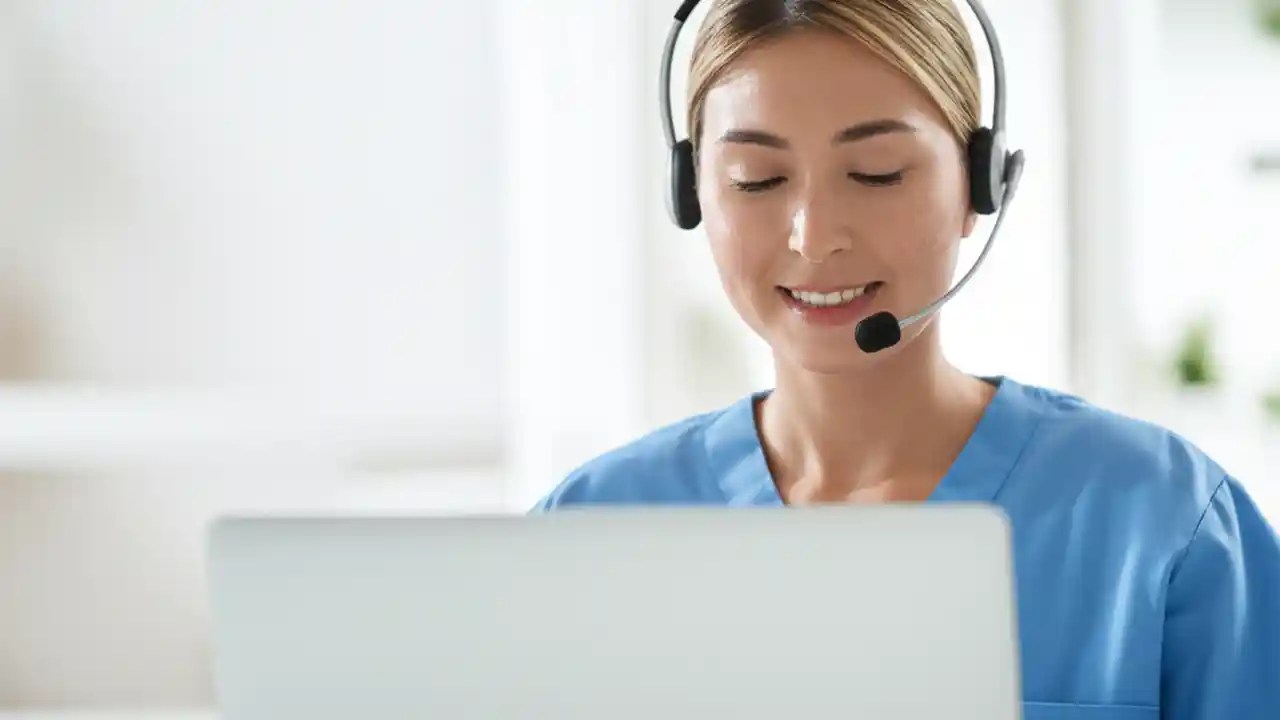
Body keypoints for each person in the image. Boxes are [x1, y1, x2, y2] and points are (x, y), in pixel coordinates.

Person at [534, 0, 1280, 716]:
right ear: (692, 195)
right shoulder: (585, 533)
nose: (813, 236)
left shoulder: (1165, 524)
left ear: (980, 185)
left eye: (878, 172)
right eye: (756, 181)